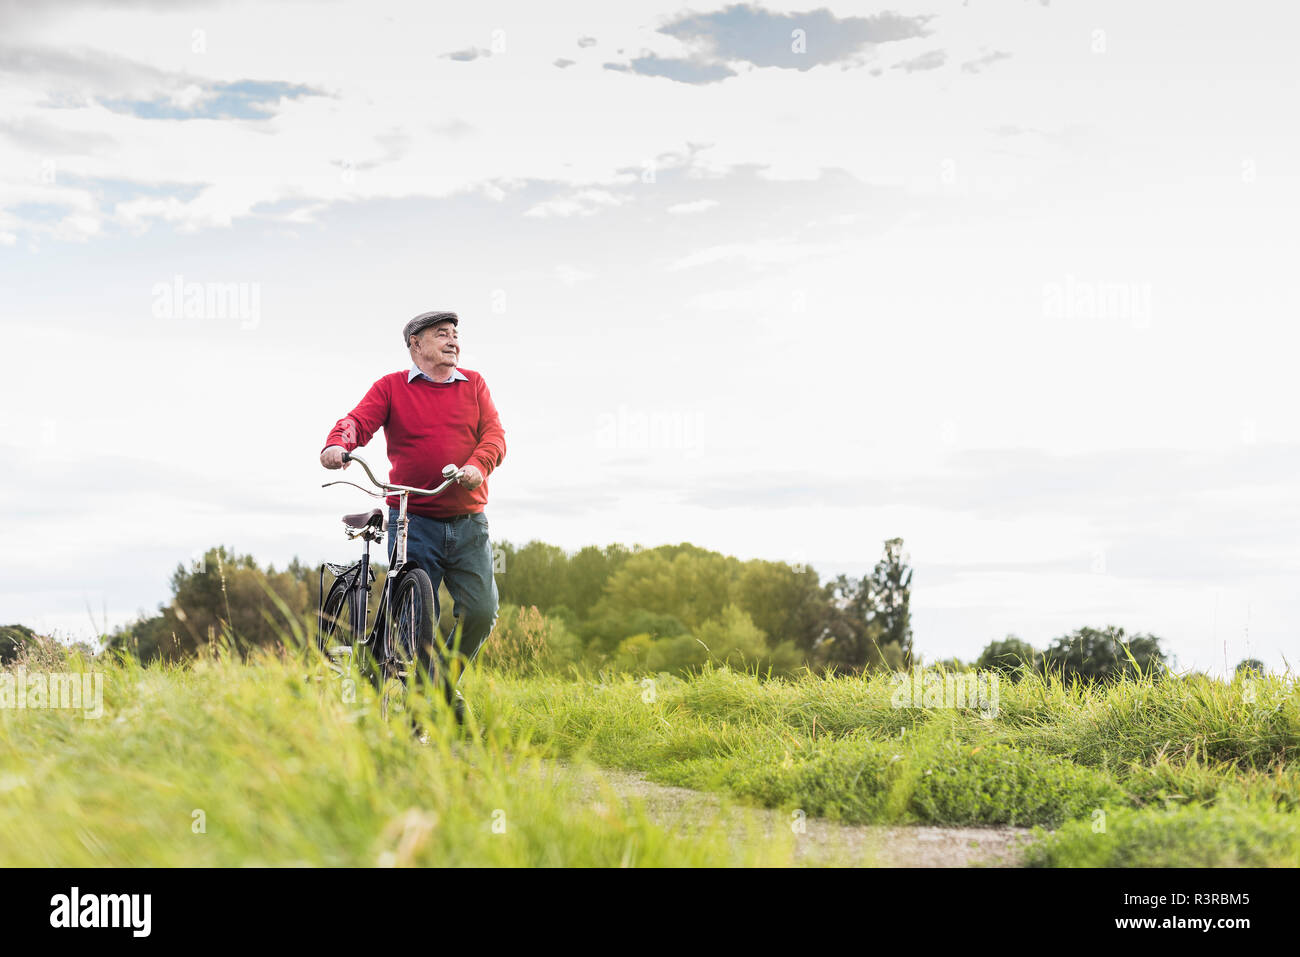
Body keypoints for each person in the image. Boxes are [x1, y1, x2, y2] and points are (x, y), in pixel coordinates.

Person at [320, 310, 506, 724]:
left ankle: (439, 686)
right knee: (416, 617)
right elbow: (357, 422)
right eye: (442, 334)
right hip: (413, 520)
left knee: (481, 611)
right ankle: (423, 701)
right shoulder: (391, 387)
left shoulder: (474, 385)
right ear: (416, 344)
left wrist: (479, 464)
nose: (453, 341)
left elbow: (494, 435)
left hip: (468, 522)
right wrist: (338, 445)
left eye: (456, 334)